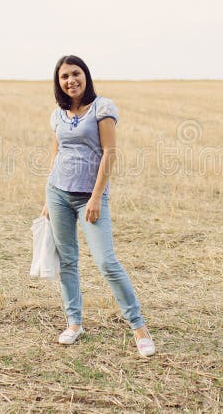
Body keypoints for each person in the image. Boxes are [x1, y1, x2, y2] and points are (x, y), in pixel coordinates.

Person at [41, 54, 155, 358]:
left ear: (86, 75)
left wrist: (95, 197)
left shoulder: (102, 108)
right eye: (64, 76)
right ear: (58, 82)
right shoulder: (58, 114)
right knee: (67, 260)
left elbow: (109, 153)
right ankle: (74, 323)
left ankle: (139, 328)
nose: (71, 80)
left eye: (75, 74)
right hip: (58, 193)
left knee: (106, 262)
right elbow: (56, 153)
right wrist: (46, 200)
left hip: (89, 198)